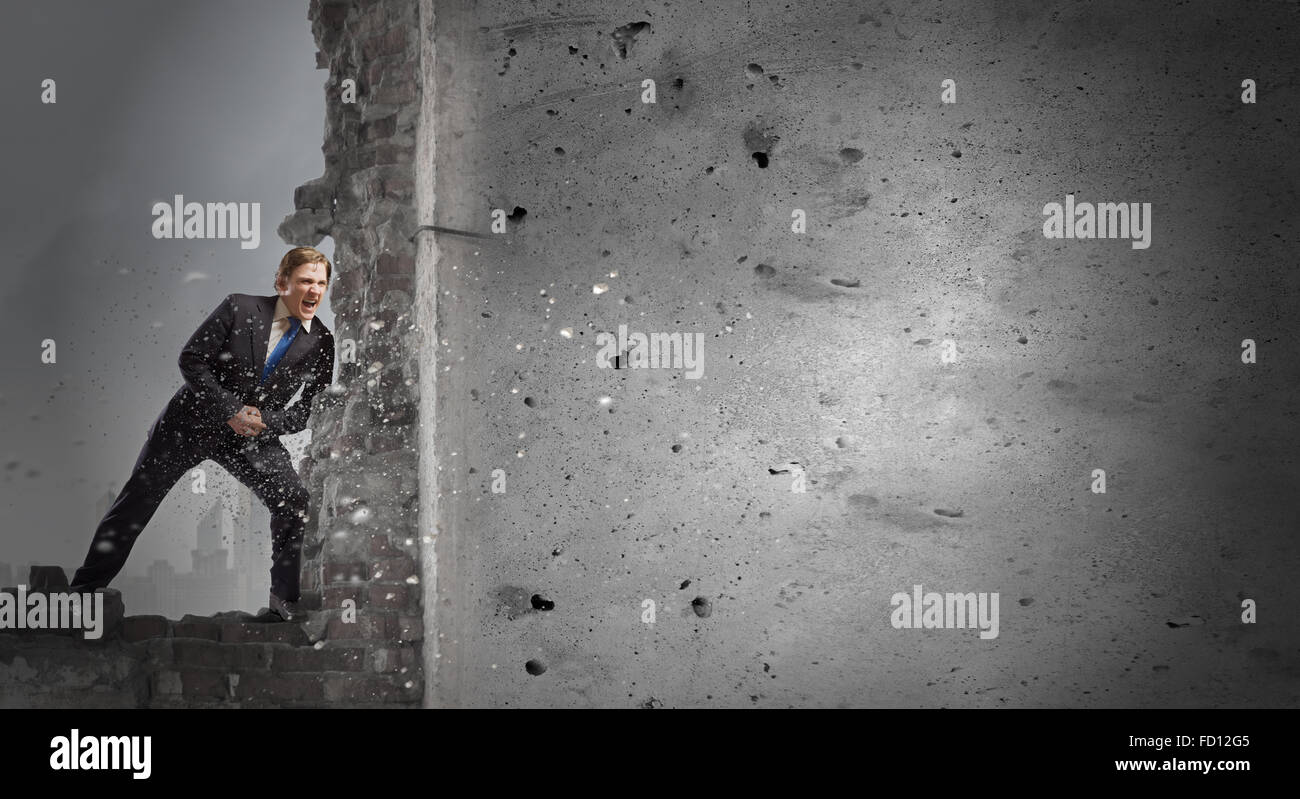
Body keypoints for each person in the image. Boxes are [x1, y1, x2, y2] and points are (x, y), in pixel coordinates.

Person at [69, 247, 336, 622]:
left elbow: (307, 412)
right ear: (281, 282)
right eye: (306, 281)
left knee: (292, 498)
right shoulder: (239, 307)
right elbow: (191, 359)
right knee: (136, 503)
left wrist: (262, 421)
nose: (315, 291)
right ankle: (82, 594)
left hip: (253, 436)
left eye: (322, 283)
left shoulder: (321, 342)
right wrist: (230, 410)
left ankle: (283, 602)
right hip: (189, 424)